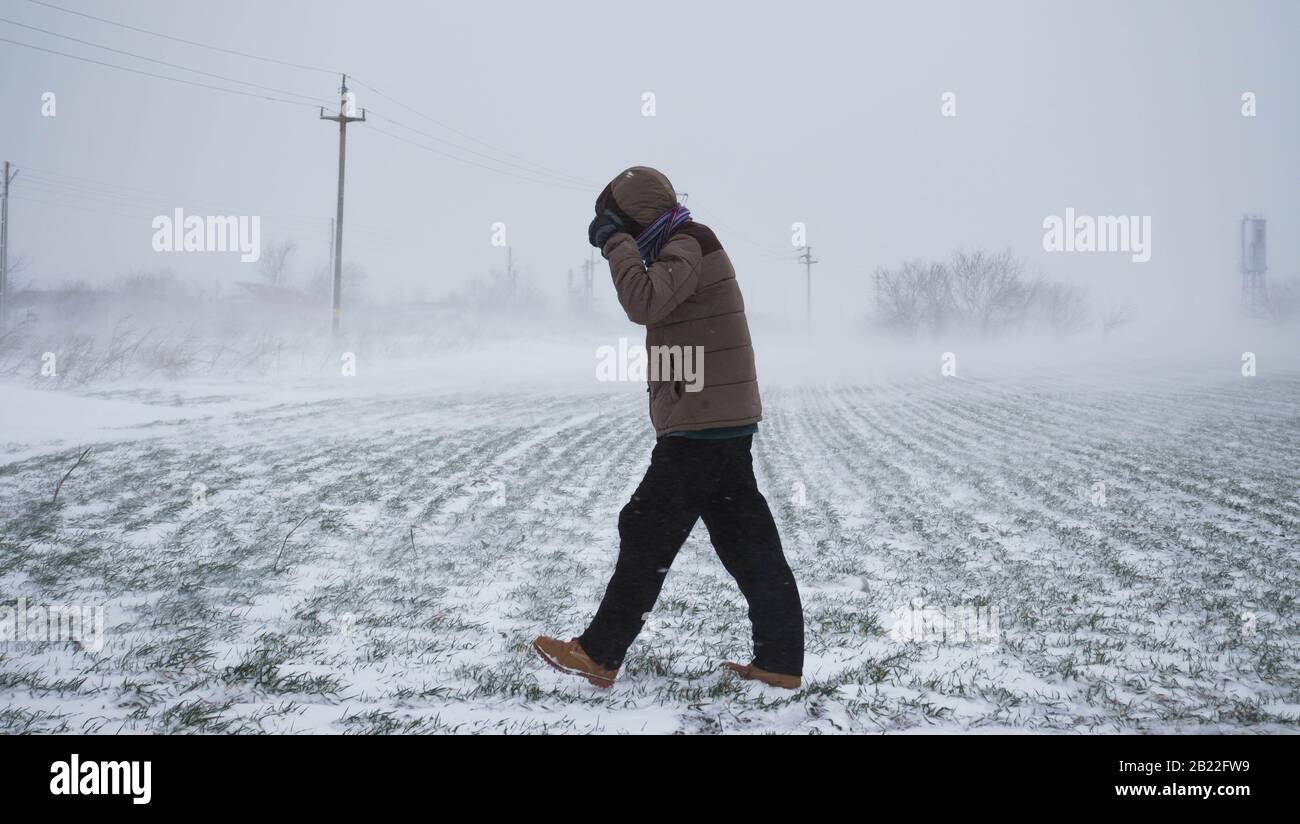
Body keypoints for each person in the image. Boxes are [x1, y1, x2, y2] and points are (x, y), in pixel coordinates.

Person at [533, 166, 805, 690]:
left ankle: (598, 653)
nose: (614, 232)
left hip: (704, 423)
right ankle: (779, 662)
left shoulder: (689, 243)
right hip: (713, 416)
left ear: (637, 214)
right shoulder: (680, 244)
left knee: (646, 528)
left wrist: (616, 244)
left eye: (617, 220)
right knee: (747, 541)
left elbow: (644, 303)